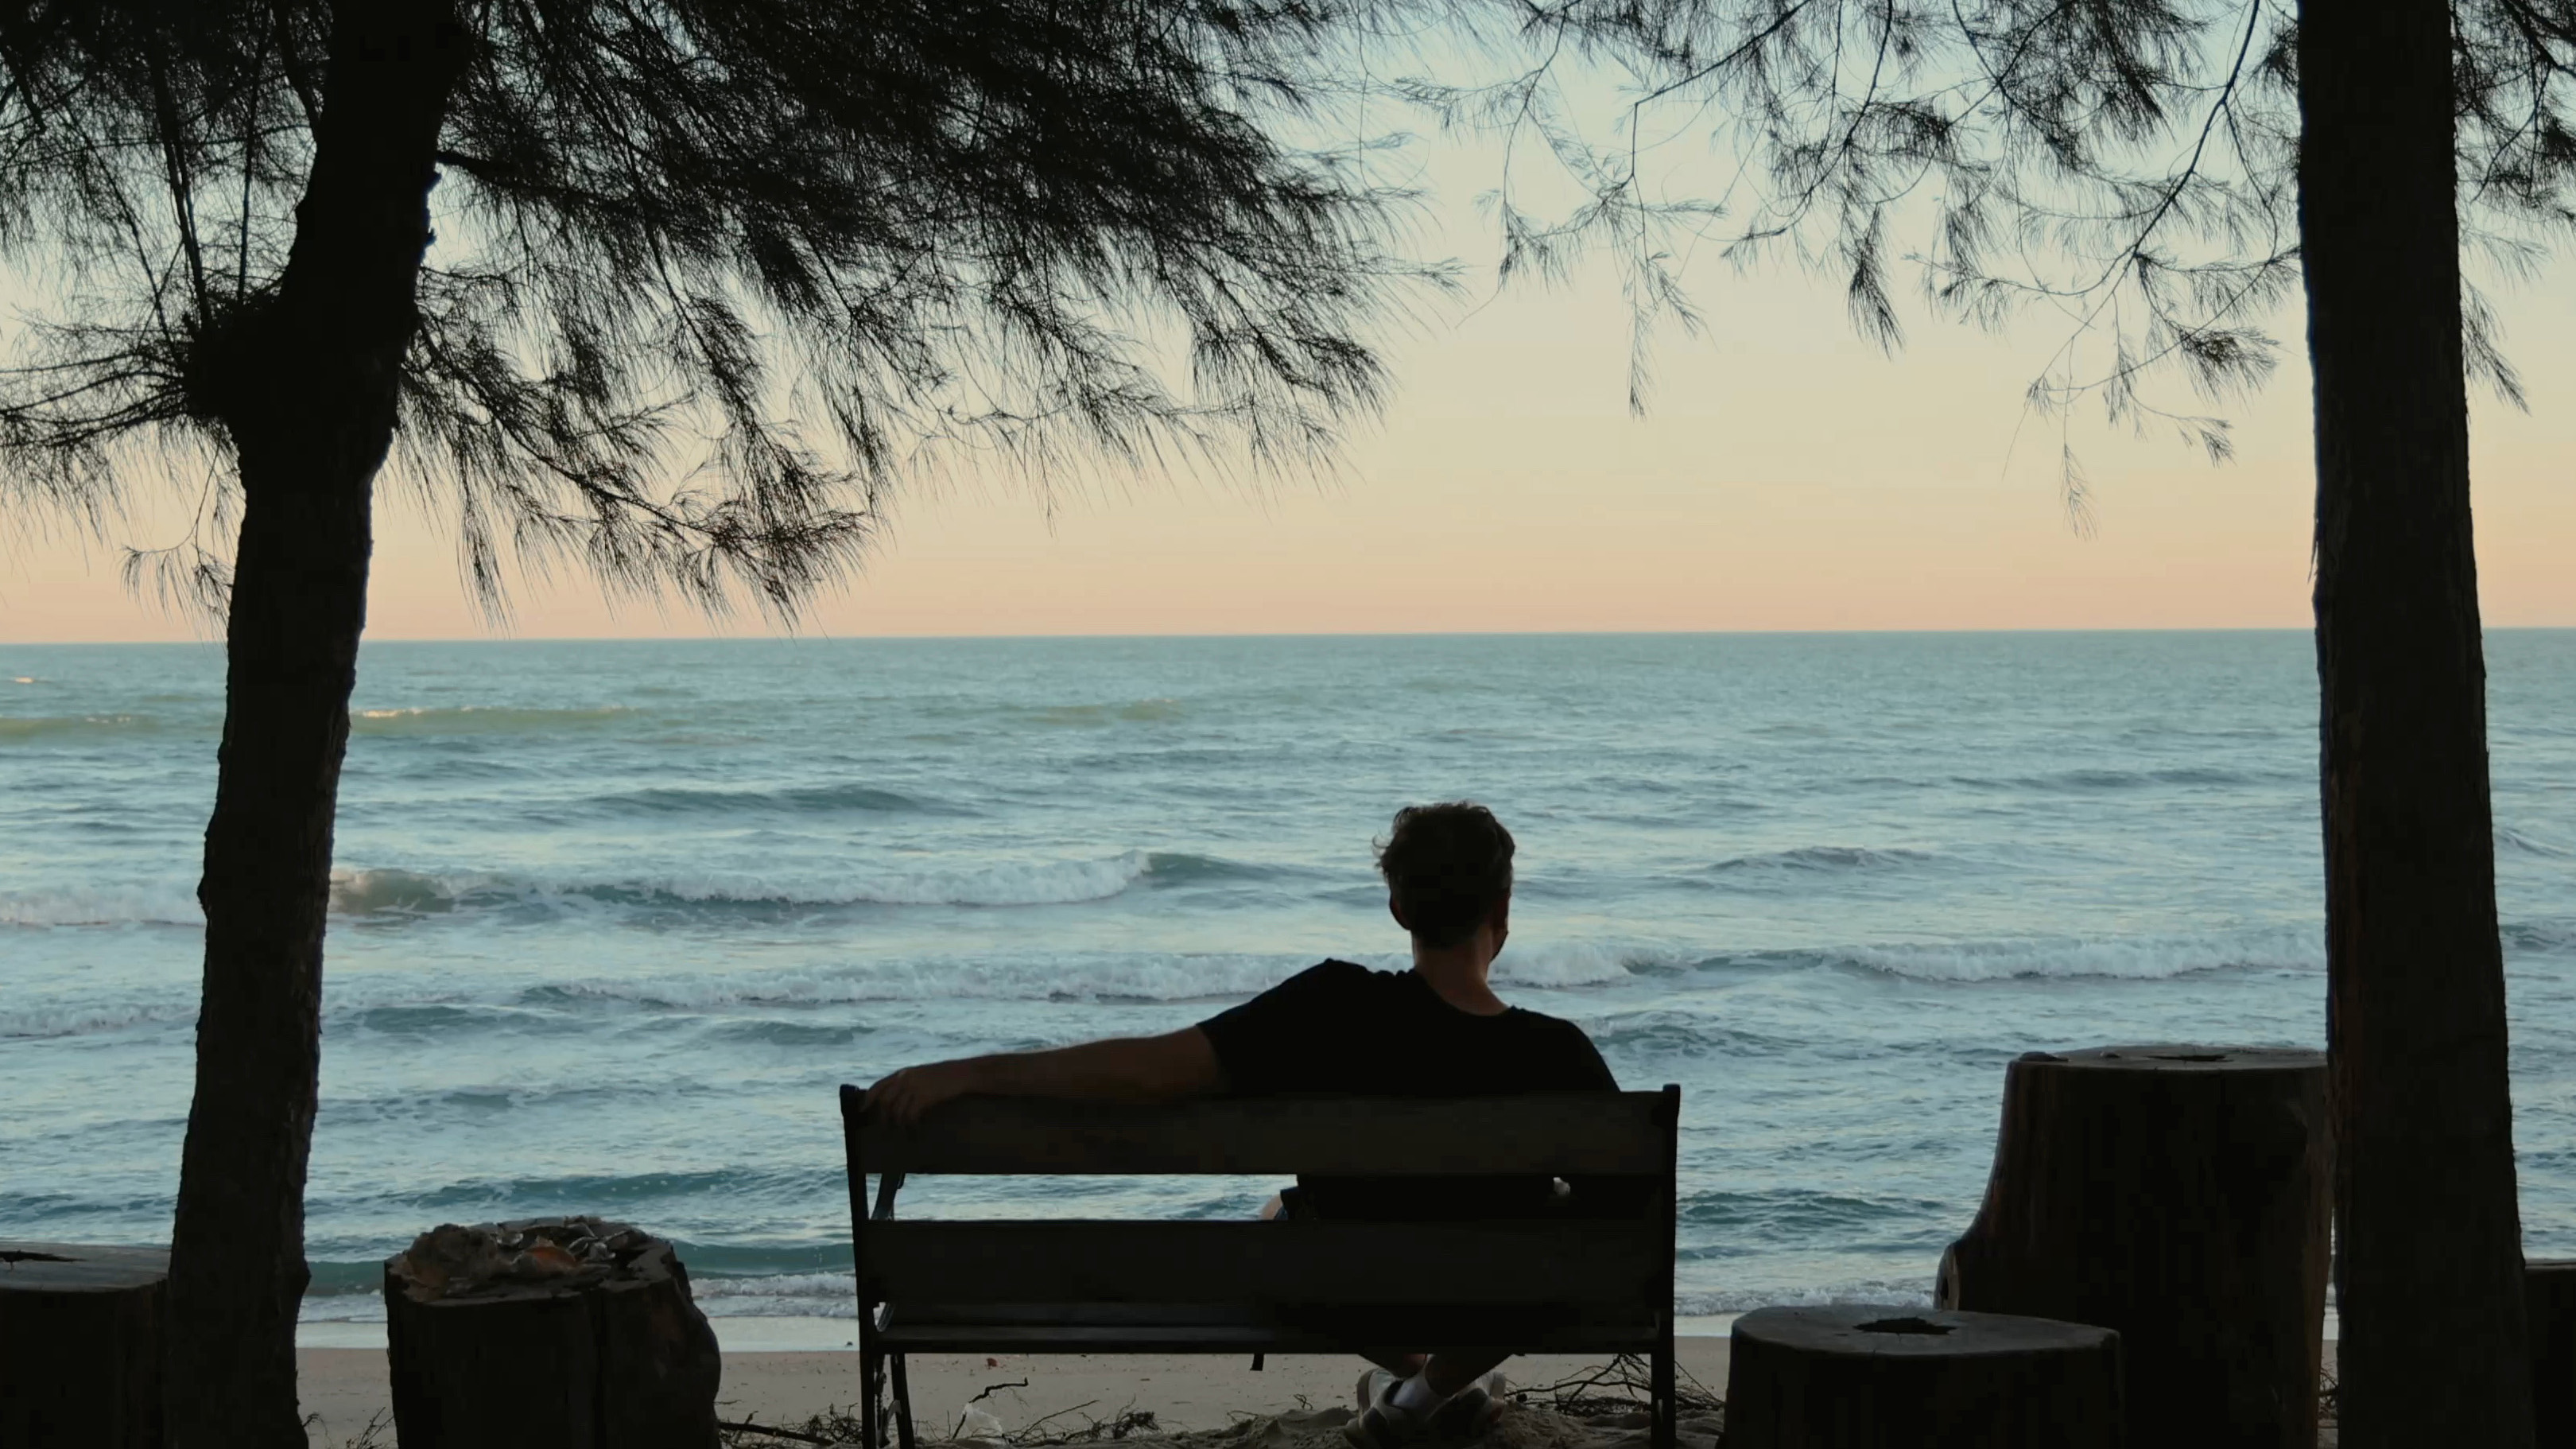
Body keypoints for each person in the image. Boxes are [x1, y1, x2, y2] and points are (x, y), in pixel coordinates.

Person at [866, 802, 1629, 1448]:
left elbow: (1145, 1071)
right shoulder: (1558, 1052)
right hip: (1489, 1295)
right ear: (1502, 912)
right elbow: (1620, 1226)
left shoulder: (1328, 1005)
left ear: (1399, 908)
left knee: (1275, 1225)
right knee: (1562, 1238)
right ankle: (1436, 1388)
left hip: (1344, 1289)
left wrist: (968, 1073)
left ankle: (1418, 1386)